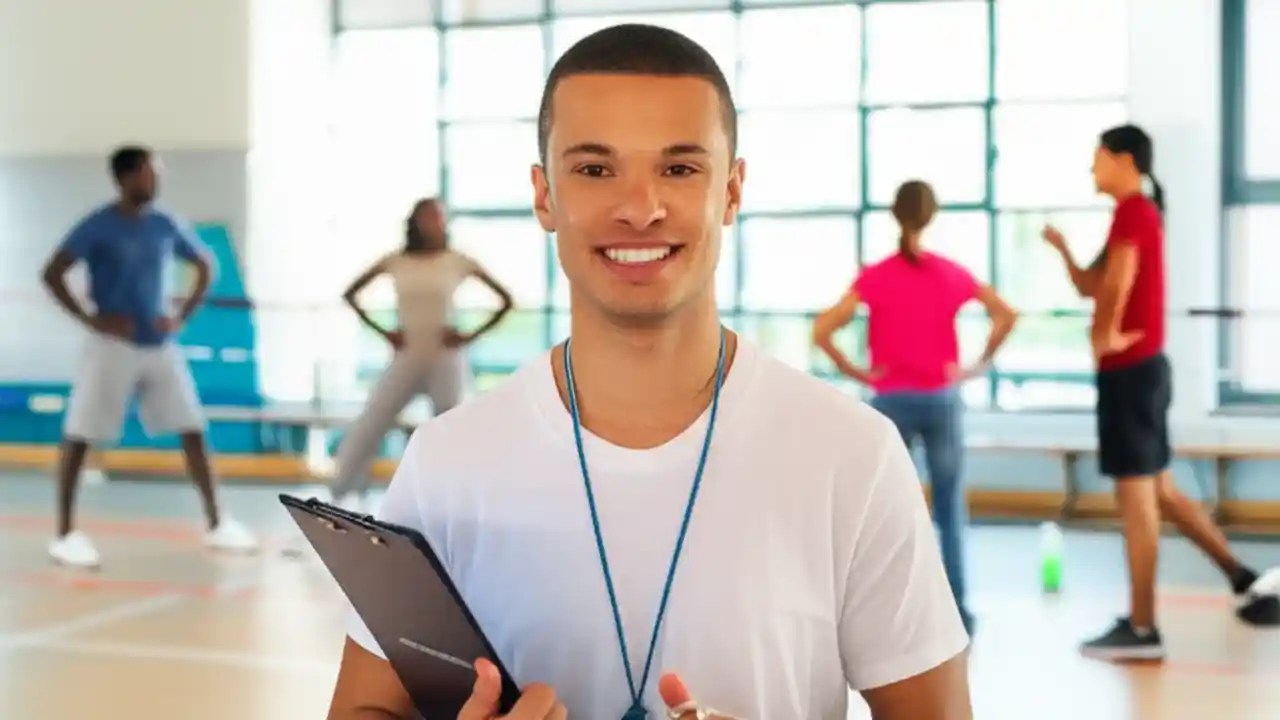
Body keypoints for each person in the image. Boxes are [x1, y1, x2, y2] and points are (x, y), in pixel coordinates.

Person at [327, 24, 972, 720]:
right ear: (544, 195)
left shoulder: (852, 456)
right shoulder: (446, 462)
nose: (640, 208)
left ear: (731, 190)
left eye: (679, 168)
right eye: (596, 170)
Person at [1043, 124, 1268, 659]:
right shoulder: (1133, 215)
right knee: (1162, 492)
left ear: (1124, 160)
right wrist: (1062, 250)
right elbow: (1092, 285)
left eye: (1098, 158)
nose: (1091, 168)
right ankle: (1242, 576)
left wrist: (1104, 337)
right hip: (1142, 374)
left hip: (1131, 375)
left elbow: (1121, 279)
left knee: (1137, 501)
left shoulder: (1133, 212)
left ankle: (1143, 629)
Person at [812, 179, 1018, 636]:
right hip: (941, 399)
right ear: (931, 215)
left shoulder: (876, 276)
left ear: (895, 215)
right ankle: (958, 610)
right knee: (948, 506)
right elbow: (1007, 314)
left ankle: (888, 615)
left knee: (887, 510)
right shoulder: (950, 273)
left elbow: (822, 329)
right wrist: (975, 367)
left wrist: (858, 372)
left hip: (890, 404)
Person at [39, 145, 259, 569]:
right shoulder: (98, 226)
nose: (156, 179)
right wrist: (91, 319)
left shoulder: (165, 223)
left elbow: (205, 264)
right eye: (148, 172)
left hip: (158, 344)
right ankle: (65, 534)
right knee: (81, 433)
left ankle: (217, 522)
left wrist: (181, 315)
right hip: (111, 346)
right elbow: (52, 272)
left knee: (192, 428)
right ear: (125, 177)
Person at [325, 198, 513, 511]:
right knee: (372, 421)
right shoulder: (396, 261)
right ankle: (339, 494)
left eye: (439, 218)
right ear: (415, 222)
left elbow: (505, 300)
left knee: (452, 430)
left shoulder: (456, 260)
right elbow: (351, 293)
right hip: (408, 353)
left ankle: (459, 504)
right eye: (429, 218)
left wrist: (468, 335)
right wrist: (385, 331)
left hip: (444, 356)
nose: (435, 224)